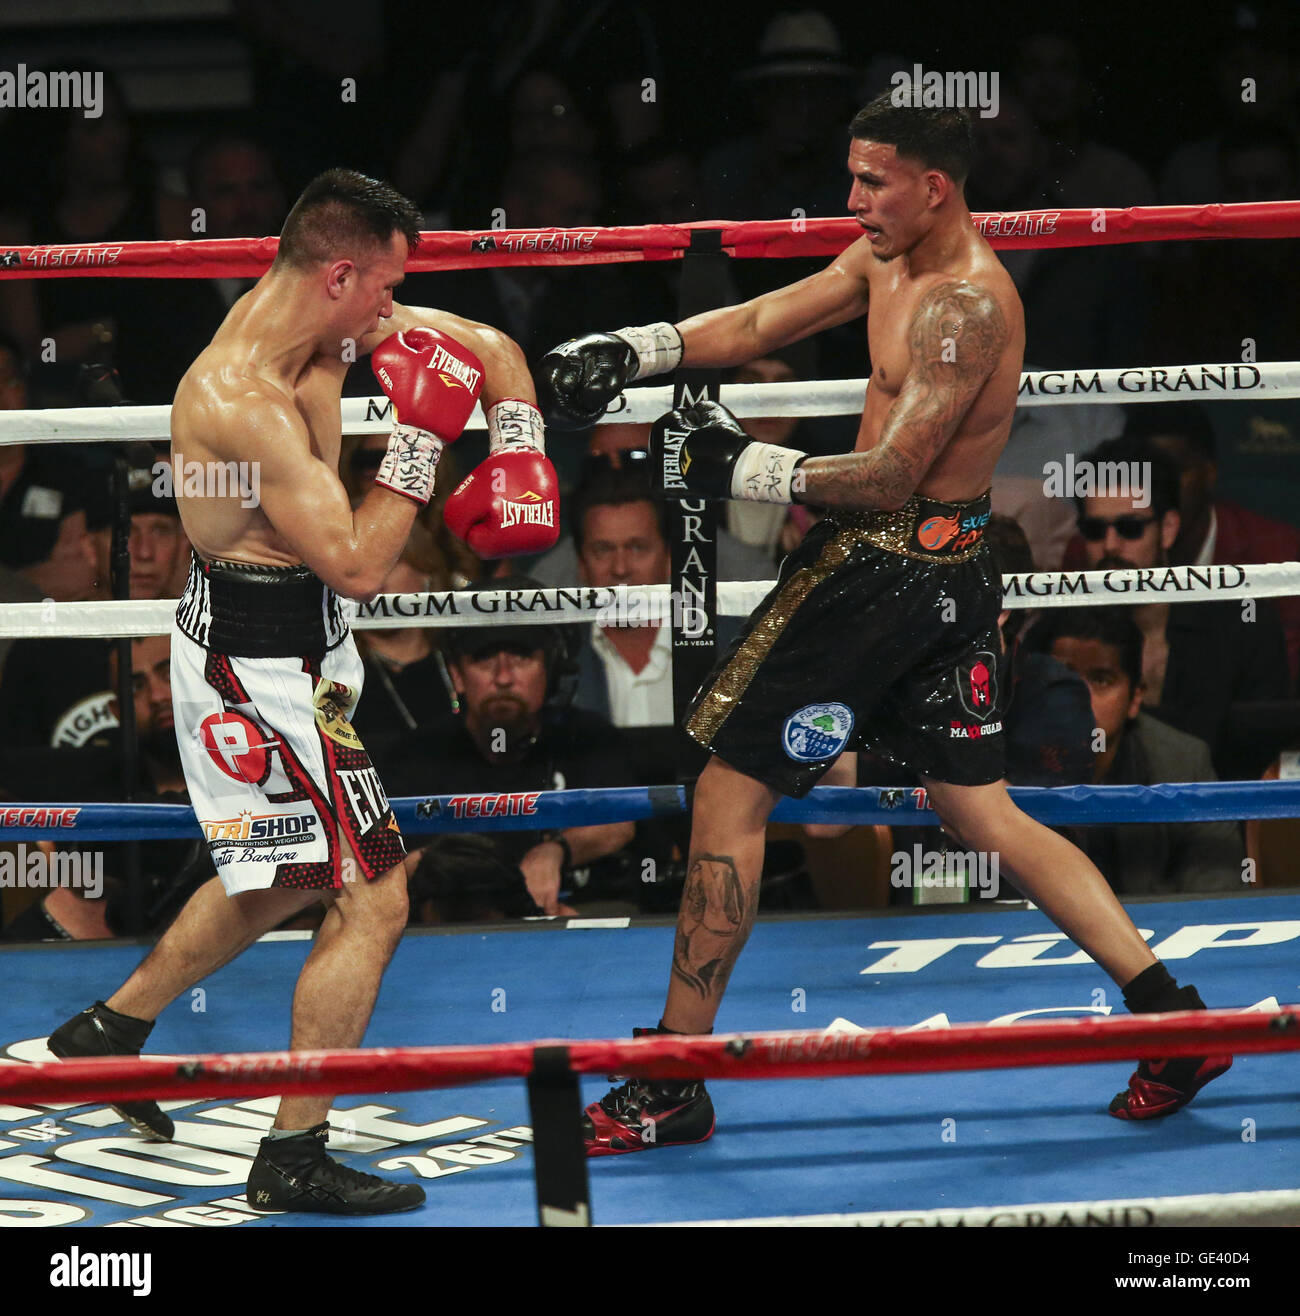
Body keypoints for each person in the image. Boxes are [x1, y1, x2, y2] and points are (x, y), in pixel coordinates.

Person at [537, 94, 1231, 1155]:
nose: (851, 200)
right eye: (852, 177)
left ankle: (673, 1070)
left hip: (885, 569)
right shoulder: (884, 257)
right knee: (978, 806)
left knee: (728, 789)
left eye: (871, 182)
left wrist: (740, 465)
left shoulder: (964, 305)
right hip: (940, 572)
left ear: (933, 186)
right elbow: (770, 318)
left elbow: (894, 470)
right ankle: (1172, 1016)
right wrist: (638, 349)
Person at [48, 169, 559, 1214]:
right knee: (375, 891)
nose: (392, 313)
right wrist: (420, 439)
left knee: (284, 870)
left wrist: (517, 439)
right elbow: (365, 565)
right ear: (339, 274)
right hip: (255, 662)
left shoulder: (323, 322)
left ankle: (111, 1028)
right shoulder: (240, 400)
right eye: (382, 293)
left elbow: (490, 351)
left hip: (299, 652)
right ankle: (293, 1152)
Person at [379, 595, 635, 921]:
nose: (503, 678)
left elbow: (620, 824)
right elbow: (395, 862)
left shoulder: (588, 736)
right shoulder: (414, 755)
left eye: (522, 658)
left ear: (550, 670)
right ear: (457, 675)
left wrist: (556, 850)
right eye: (484, 660)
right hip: (453, 925)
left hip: (574, 916)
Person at [1061, 434, 1289, 778]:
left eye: (1129, 528)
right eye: (1094, 530)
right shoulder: (1057, 634)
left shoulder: (1244, 630)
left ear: (1167, 529)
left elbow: (1266, 767)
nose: (1109, 546)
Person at [1026, 608, 1244, 896]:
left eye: (1101, 680)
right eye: (1061, 677)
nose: (1078, 696)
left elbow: (1215, 897)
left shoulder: (1183, 765)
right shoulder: (992, 764)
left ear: (1135, 698)